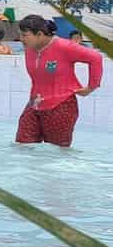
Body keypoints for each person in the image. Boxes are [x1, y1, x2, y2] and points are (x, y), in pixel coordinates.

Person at [15, 14, 103, 148]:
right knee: (22, 145)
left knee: (56, 151)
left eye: (24, 35)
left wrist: (91, 87)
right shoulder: (29, 48)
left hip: (61, 106)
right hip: (35, 104)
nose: (20, 39)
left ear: (39, 34)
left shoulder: (64, 46)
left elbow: (96, 58)